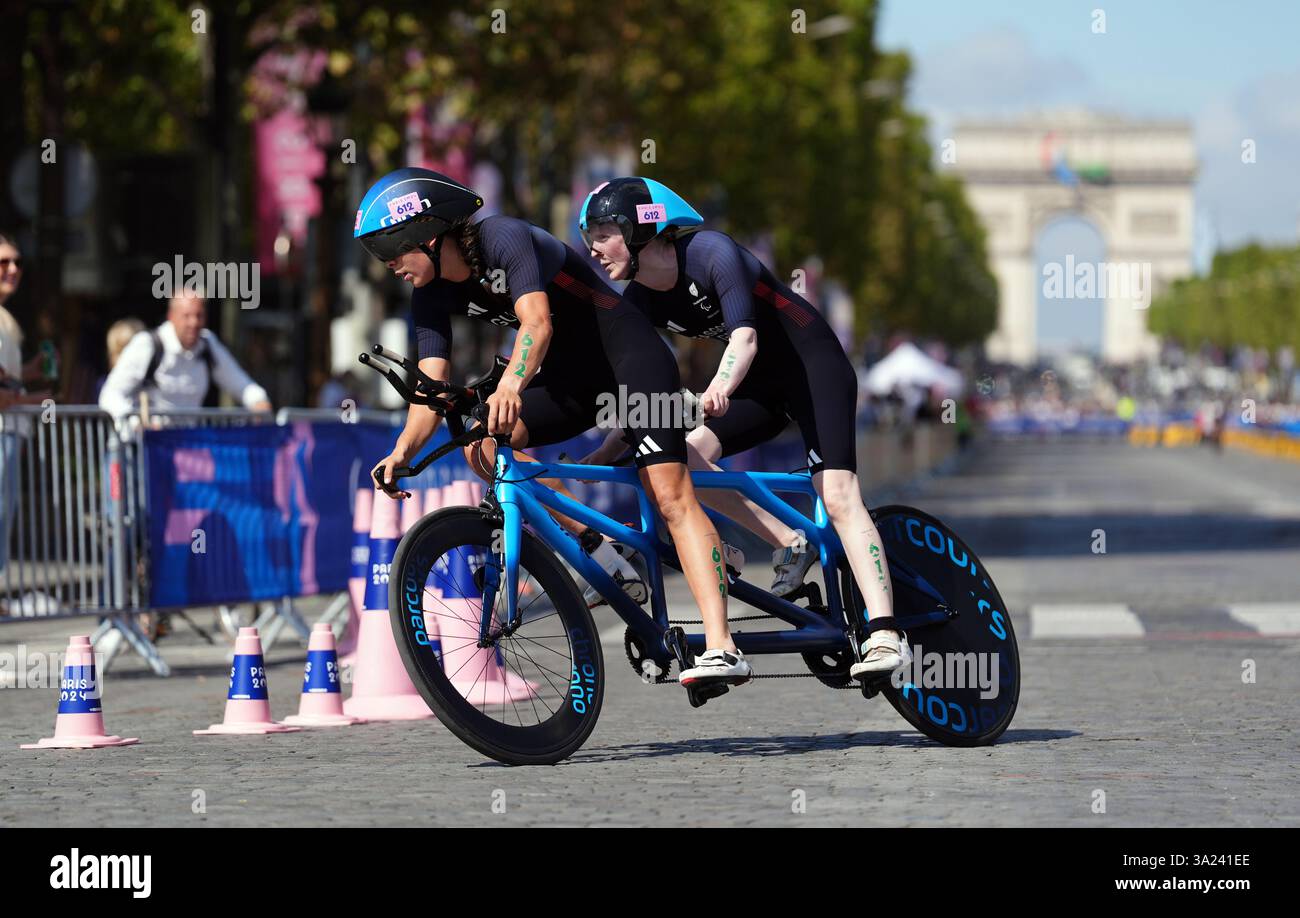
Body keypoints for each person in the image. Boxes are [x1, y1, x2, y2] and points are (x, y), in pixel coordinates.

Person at [356, 167, 749, 686]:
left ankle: (723, 647)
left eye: (392, 255)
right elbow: (431, 388)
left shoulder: (502, 238)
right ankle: (597, 549)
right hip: (571, 385)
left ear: (426, 237)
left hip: (629, 361)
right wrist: (402, 451)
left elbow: (537, 324)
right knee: (479, 442)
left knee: (670, 495)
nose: (390, 269)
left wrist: (511, 387)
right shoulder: (429, 295)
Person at [580, 177, 910, 677]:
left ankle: (887, 635)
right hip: (758, 389)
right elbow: (639, 389)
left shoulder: (712, 253)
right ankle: (787, 541)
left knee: (838, 493)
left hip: (811, 369)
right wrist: (601, 456)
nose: (594, 250)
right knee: (685, 453)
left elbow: (746, 339)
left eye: (602, 234)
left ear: (640, 228)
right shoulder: (640, 300)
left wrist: (719, 387)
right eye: (588, 240)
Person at [97, 290, 272, 421]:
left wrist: (258, 401)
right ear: (171, 316)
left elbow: (240, 383)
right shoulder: (148, 345)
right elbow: (110, 395)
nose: (193, 323)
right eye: (186, 316)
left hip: (186, 452)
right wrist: (137, 423)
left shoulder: (208, 345)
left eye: (199, 316)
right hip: (141, 451)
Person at [0, 233, 52, 587]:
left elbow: (8, 381)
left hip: (10, 432)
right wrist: (38, 399)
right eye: (3, 262)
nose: (14, 269)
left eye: (17, 261)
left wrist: (33, 370)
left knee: (5, 514)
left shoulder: (5, 320)